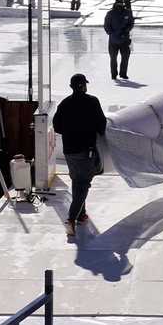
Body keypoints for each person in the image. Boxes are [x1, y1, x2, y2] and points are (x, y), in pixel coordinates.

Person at [52, 73, 107, 237]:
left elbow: (56, 126)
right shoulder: (92, 101)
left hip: (69, 151)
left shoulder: (65, 104)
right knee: (82, 184)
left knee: (77, 181)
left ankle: (81, 215)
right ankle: (71, 219)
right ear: (83, 86)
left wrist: (70, 133)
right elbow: (102, 125)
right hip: (85, 151)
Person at [104, 0, 134, 79]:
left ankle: (123, 74)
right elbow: (106, 26)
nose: (119, 6)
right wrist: (112, 33)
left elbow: (131, 24)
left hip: (124, 40)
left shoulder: (128, 12)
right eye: (118, 4)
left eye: (121, 4)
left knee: (125, 57)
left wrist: (125, 31)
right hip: (113, 40)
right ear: (115, 4)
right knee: (113, 58)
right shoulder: (110, 13)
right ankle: (114, 74)